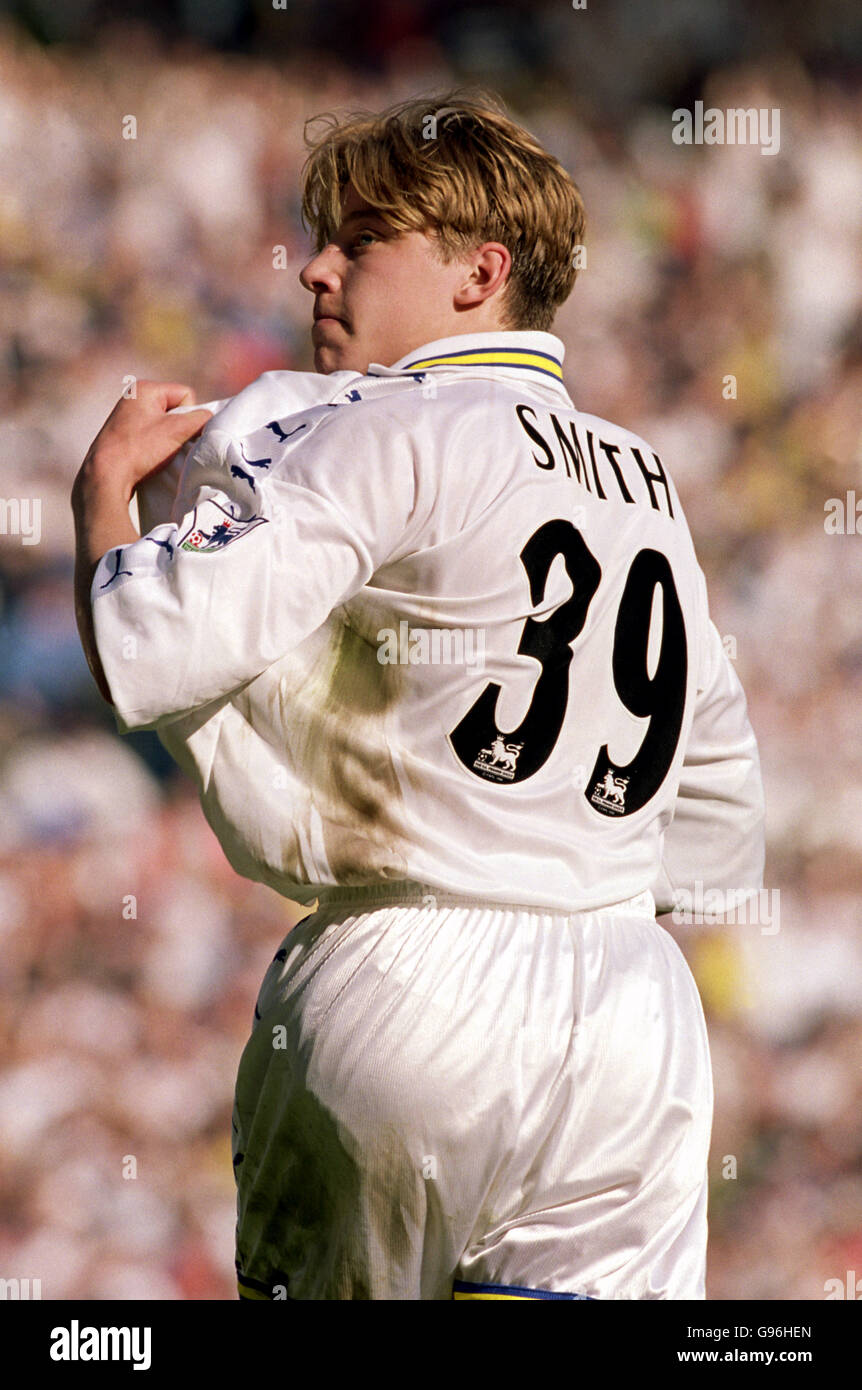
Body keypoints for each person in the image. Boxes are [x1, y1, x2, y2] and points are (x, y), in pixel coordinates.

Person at [72, 91, 764, 1301]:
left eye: (360, 239)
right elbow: (714, 820)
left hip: (409, 985)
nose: (315, 270)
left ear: (478, 272)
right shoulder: (648, 481)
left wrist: (100, 508)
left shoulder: (377, 427)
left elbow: (149, 638)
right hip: (629, 1018)